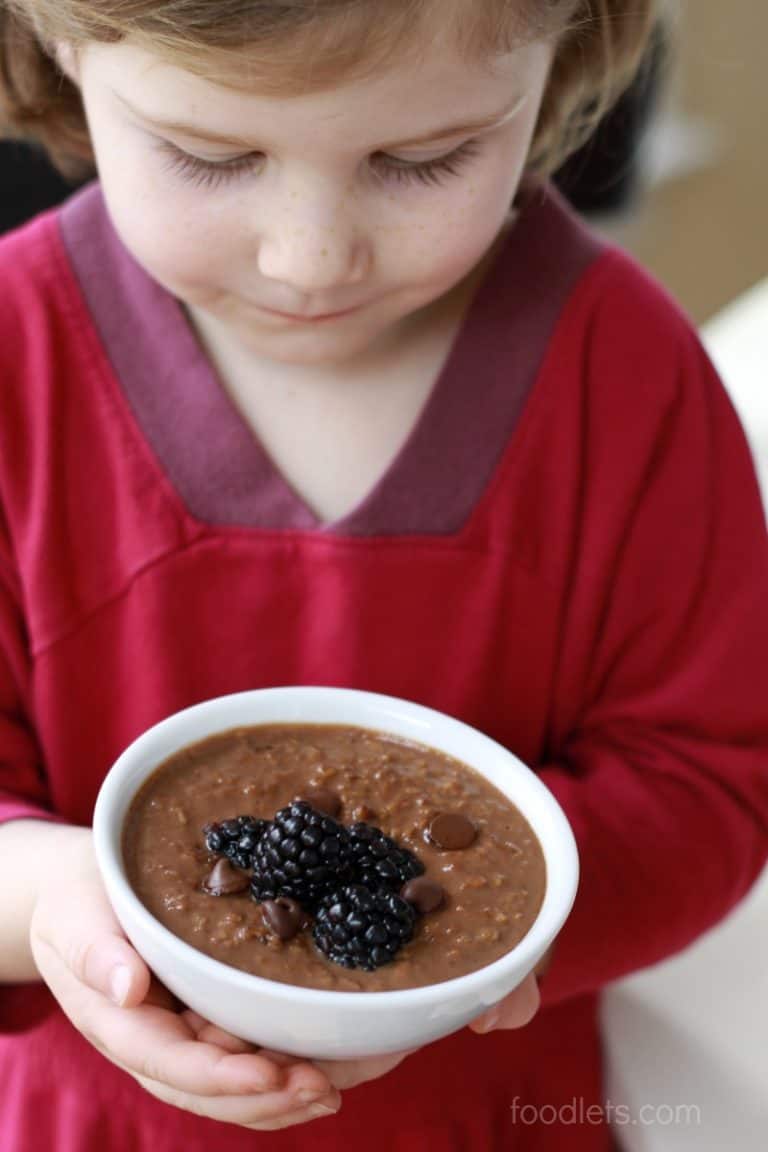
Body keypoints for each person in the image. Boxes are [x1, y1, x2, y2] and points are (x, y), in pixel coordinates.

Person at [0, 2, 765, 1150]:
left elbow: (708, 779)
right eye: (213, 156)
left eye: (424, 160)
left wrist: (500, 929)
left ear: (565, 51)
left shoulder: (629, 379)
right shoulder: (19, 366)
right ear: (60, 42)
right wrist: (57, 903)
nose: (309, 256)